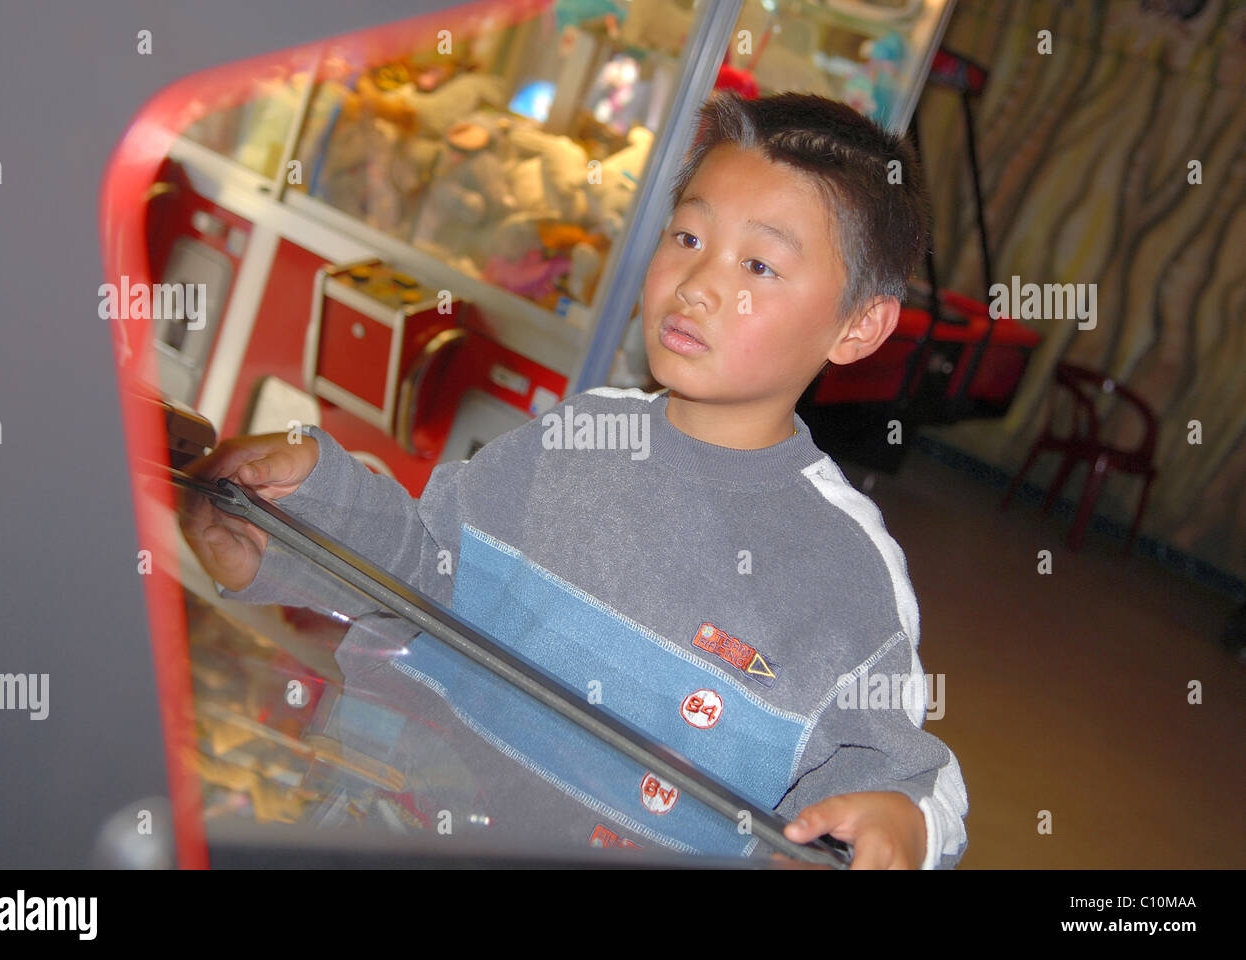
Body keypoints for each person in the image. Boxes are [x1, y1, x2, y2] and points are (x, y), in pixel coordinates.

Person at [182, 91, 969, 868]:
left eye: (759, 264)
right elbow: (425, 569)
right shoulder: (580, 434)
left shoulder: (847, 575)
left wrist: (904, 823)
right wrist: (304, 505)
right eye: (687, 236)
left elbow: (904, 781)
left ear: (858, 326)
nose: (697, 283)